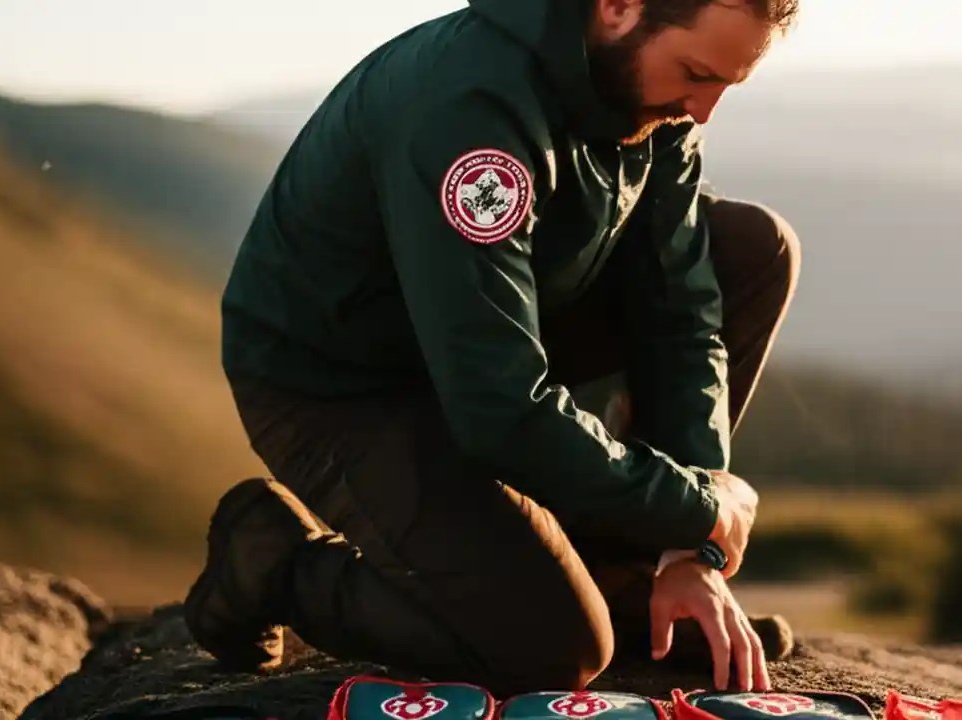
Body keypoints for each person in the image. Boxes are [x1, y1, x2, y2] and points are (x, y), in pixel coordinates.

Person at [184, 0, 802, 696]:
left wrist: (692, 546)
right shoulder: (470, 109)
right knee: (554, 649)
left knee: (753, 250)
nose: (705, 110)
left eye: (725, 83)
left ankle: (622, 575)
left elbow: (680, 313)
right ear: (620, 7)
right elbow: (495, 405)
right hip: (345, 386)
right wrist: (692, 505)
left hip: (503, 337)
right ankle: (275, 565)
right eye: (695, 73)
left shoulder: (652, 101)